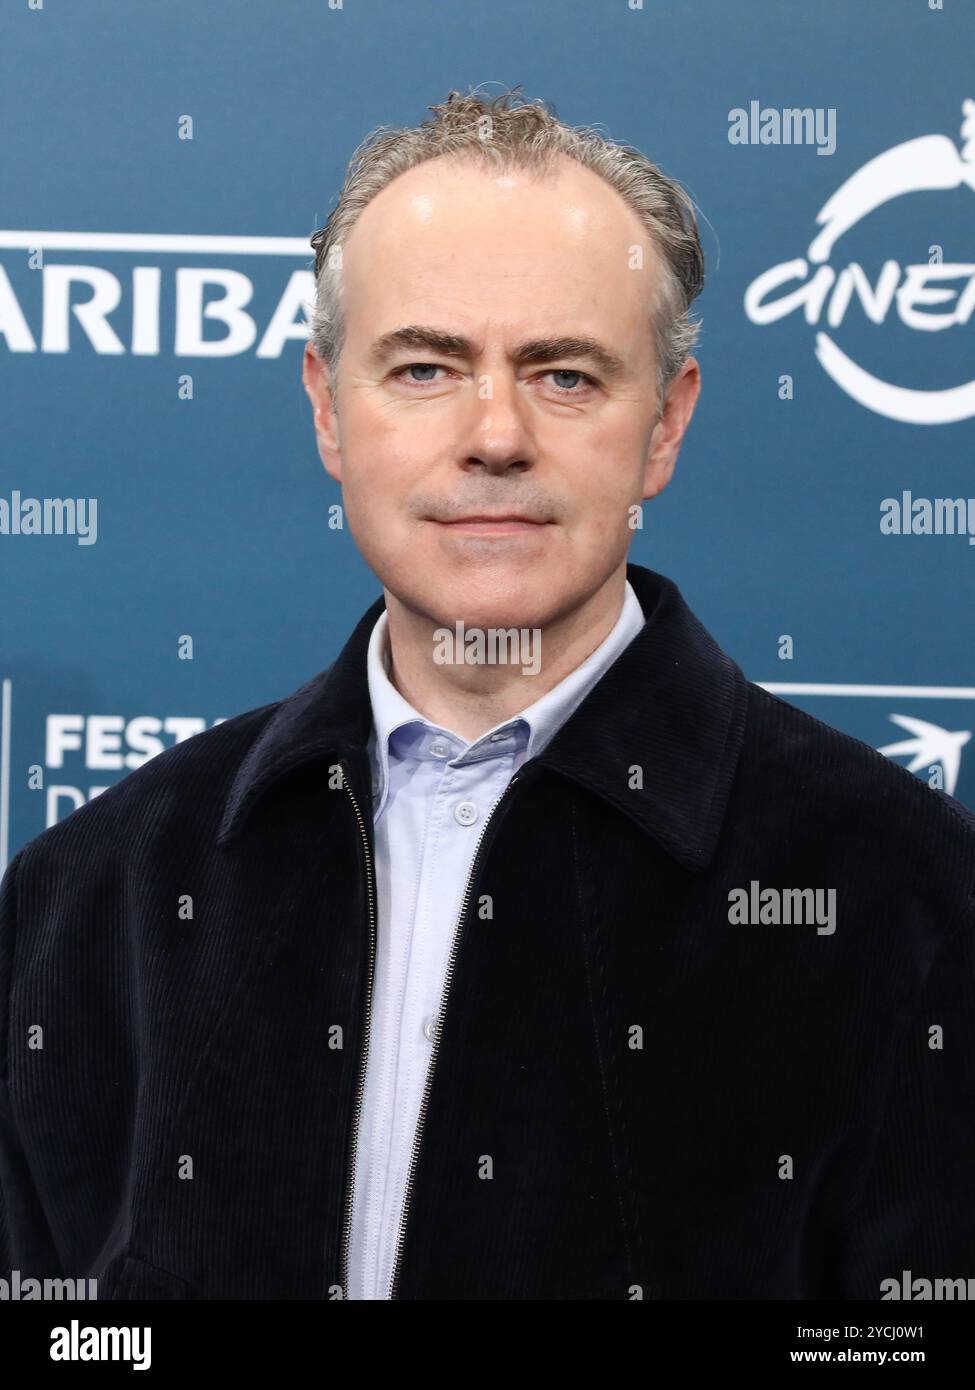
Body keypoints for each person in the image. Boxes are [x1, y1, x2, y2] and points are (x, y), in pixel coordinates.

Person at [2, 87, 974, 1302]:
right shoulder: (91, 892)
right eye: (423, 367)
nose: (494, 434)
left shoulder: (911, 893)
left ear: (663, 428)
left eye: (565, 376)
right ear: (326, 410)